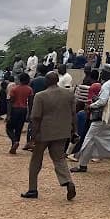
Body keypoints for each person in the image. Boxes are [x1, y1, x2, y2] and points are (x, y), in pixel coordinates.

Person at [21, 72, 77, 201]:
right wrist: (74, 131)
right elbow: (73, 114)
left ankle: (32, 189)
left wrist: (32, 138)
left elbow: (35, 118)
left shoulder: (40, 96)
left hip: (43, 133)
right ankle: (68, 182)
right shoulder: (68, 94)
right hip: (62, 132)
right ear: (57, 80)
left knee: (36, 160)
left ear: (46, 81)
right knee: (59, 159)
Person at [70, 65, 110, 173]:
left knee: (88, 139)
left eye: (103, 72)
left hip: (102, 118)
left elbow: (103, 101)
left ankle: (82, 165)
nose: (101, 74)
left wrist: (91, 106)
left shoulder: (106, 85)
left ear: (106, 73)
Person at [7, 73, 33, 154]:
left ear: (19, 80)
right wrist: (29, 113)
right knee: (19, 128)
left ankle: (14, 141)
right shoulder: (29, 89)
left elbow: (10, 102)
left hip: (15, 109)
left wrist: (8, 114)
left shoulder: (14, 89)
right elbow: (30, 103)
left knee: (9, 128)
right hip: (24, 110)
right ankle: (15, 144)